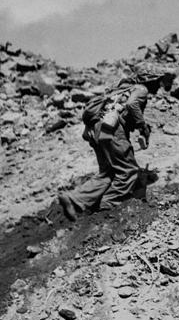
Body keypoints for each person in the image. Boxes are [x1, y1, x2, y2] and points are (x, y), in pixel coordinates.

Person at [58, 64, 173, 219]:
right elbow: (132, 105)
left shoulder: (121, 88)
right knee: (129, 171)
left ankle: (74, 198)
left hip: (97, 131)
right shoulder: (141, 89)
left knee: (109, 172)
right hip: (112, 131)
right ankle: (107, 207)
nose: (159, 86)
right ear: (149, 79)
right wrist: (142, 126)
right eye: (158, 81)